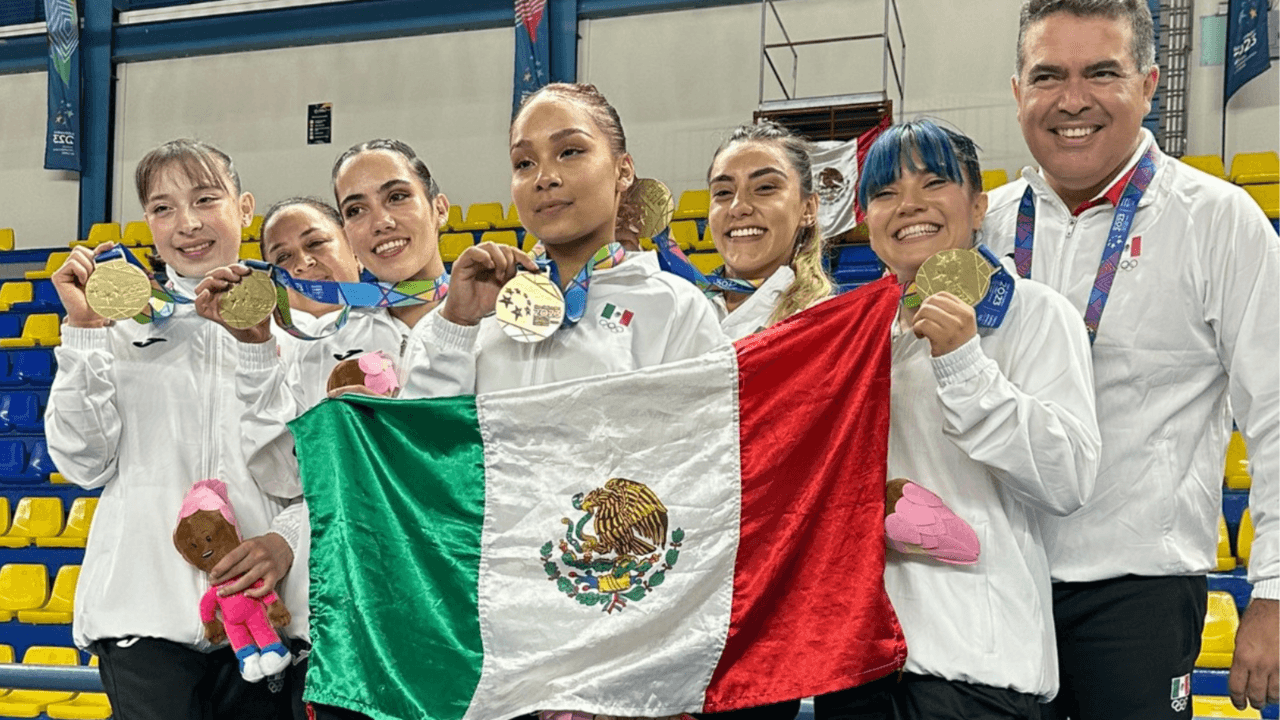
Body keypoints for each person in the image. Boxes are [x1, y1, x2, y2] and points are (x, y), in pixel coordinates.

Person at [984, 1, 1279, 717]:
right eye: (1048, 75)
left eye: (1102, 73)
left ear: (1149, 84)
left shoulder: (1215, 219)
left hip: (1135, 596)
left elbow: (1275, 411)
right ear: (1019, 91)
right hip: (991, 586)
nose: (1073, 100)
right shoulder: (982, 225)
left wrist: (1273, 591)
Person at [816, 120, 1101, 720]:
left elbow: (1069, 478)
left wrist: (966, 367)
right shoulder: (857, 334)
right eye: (885, 194)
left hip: (977, 672)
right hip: (859, 665)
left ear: (977, 206)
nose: (908, 205)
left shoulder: (1035, 314)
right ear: (866, 222)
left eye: (933, 182)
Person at [194, 141, 459, 720]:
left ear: (439, 207)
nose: (380, 221)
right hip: (351, 636)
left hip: (464, 627)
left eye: (396, 196)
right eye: (357, 209)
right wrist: (258, 352)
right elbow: (294, 476)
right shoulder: (324, 347)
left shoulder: (493, 319)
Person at [44, 138, 294, 720]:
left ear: (245, 207)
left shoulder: (293, 332)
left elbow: (296, 475)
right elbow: (82, 464)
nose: (187, 224)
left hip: (262, 617)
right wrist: (82, 332)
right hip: (141, 618)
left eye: (206, 198)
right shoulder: (115, 328)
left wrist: (259, 351)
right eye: (162, 208)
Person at [401, 82, 725, 398]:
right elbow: (424, 443)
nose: (544, 179)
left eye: (569, 152)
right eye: (524, 163)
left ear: (623, 171)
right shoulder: (472, 314)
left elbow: (697, 444)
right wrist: (457, 325)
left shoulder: (674, 308)